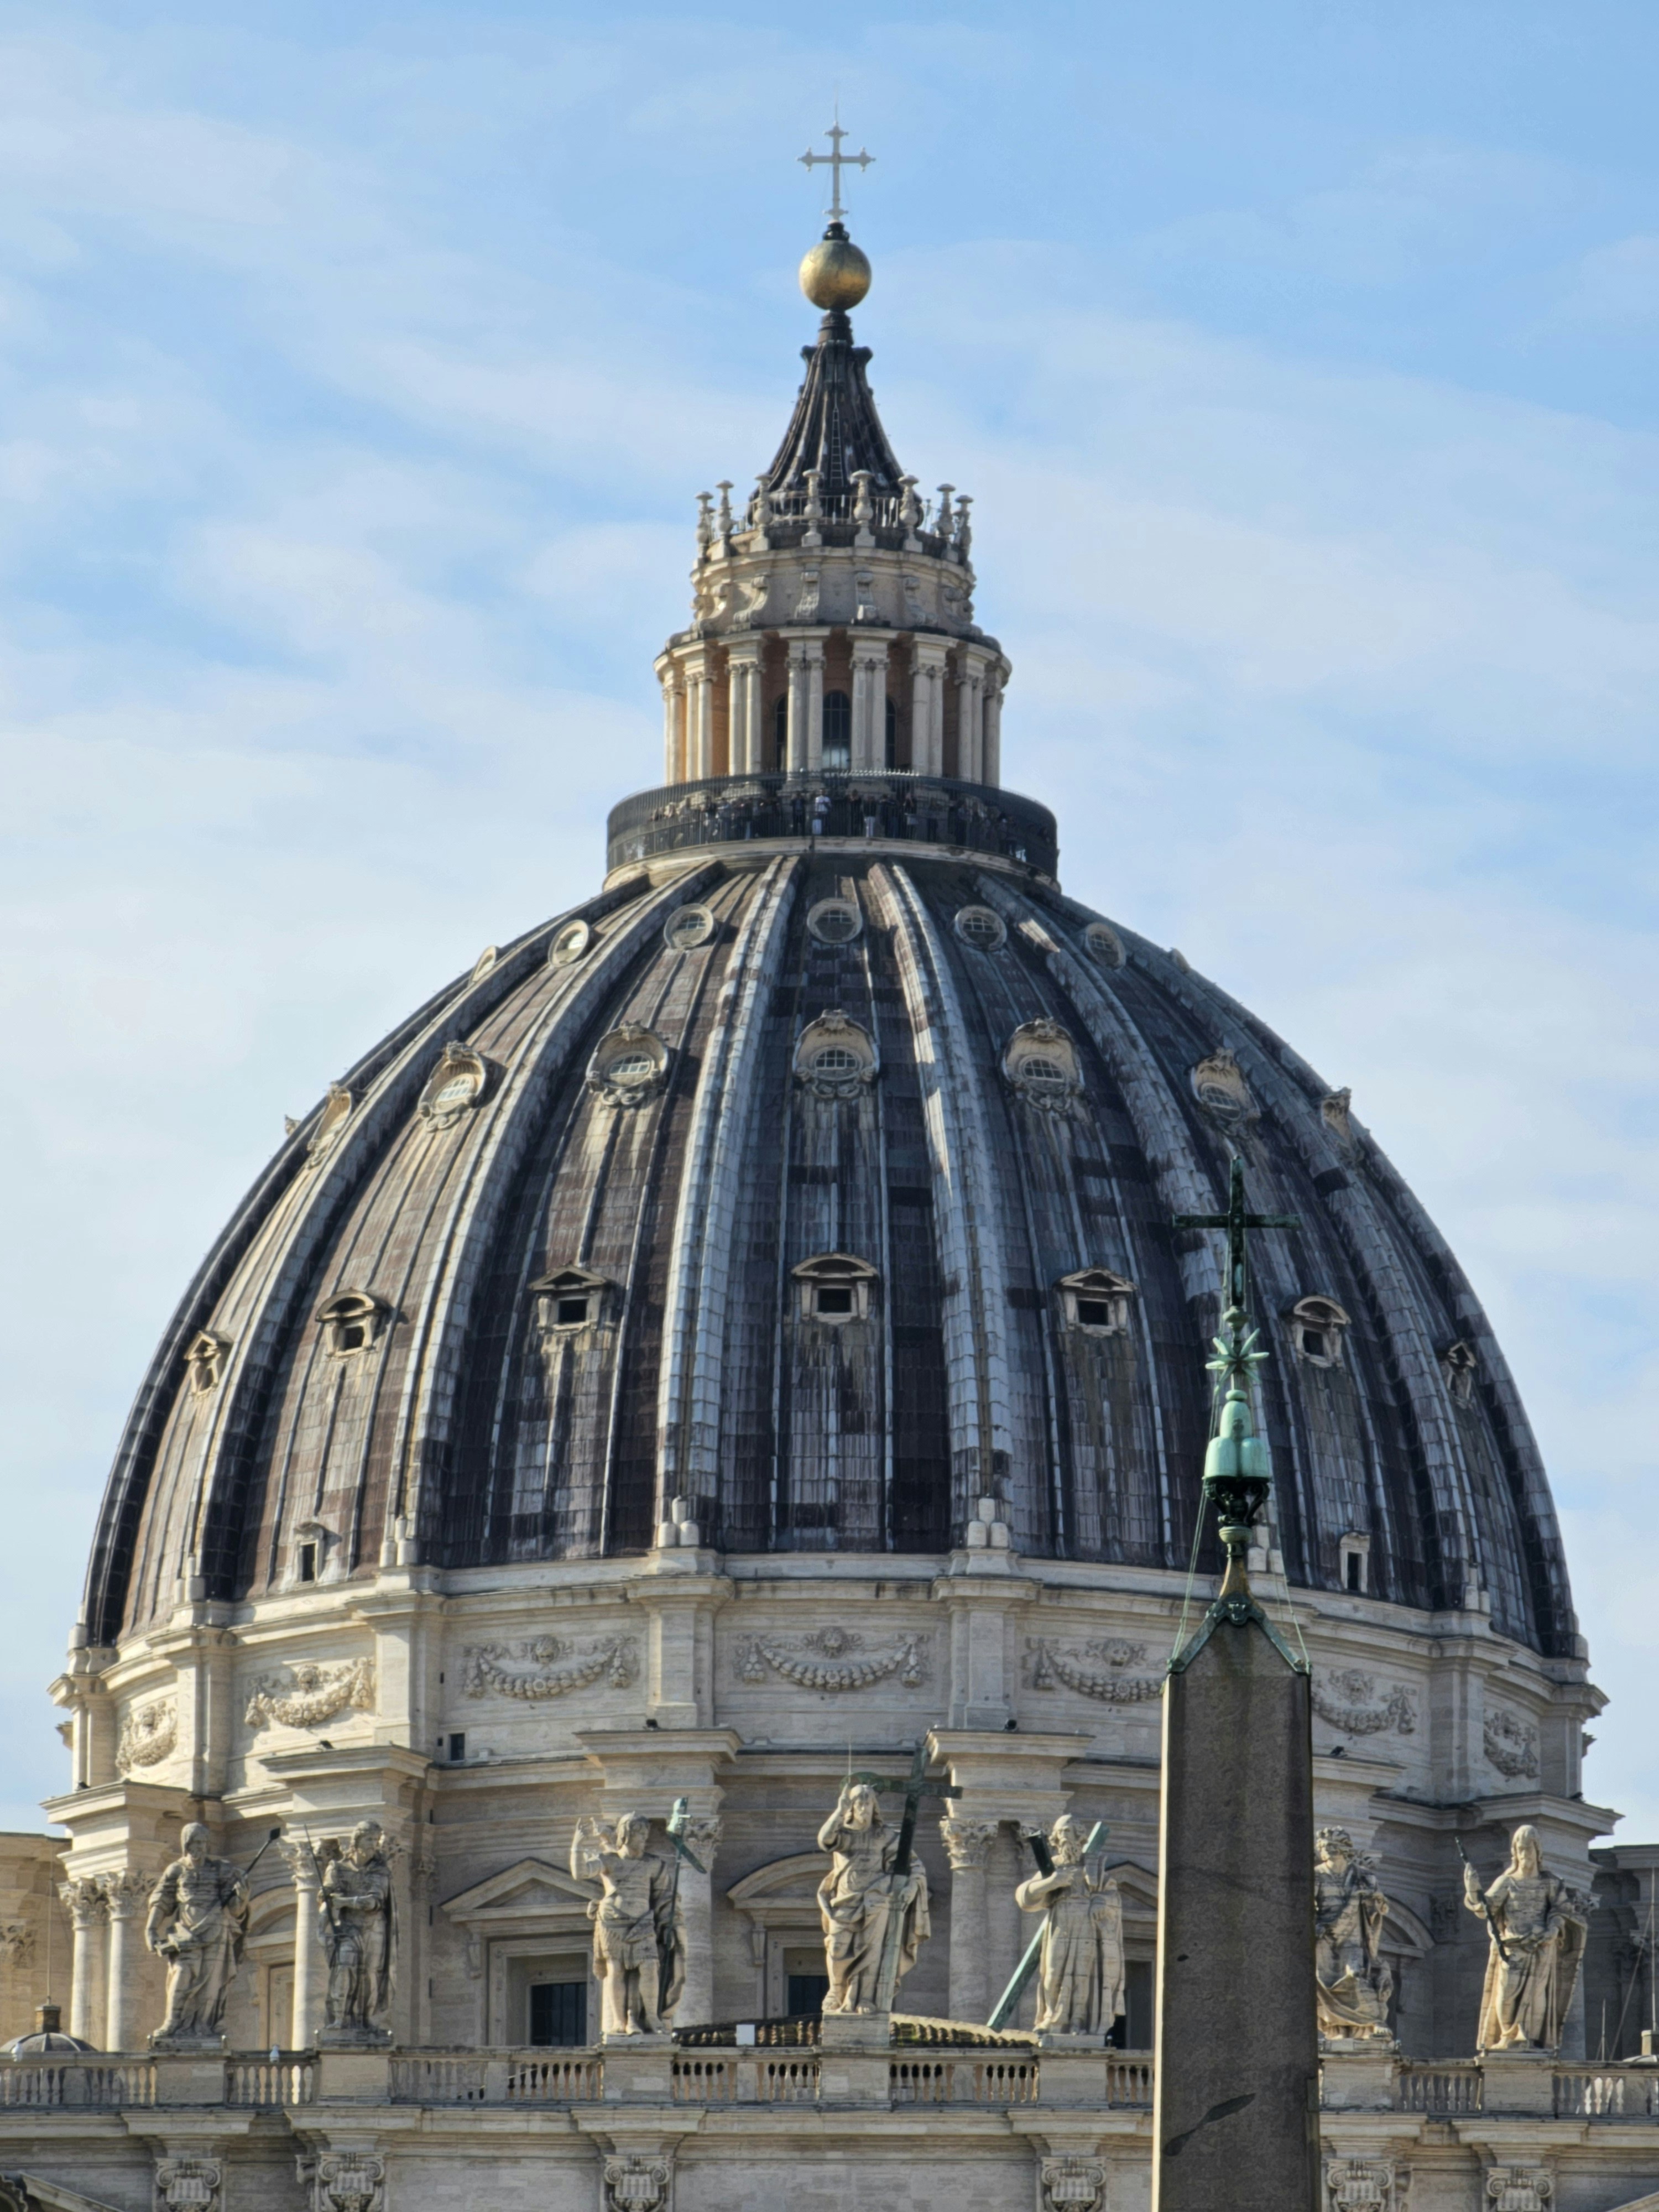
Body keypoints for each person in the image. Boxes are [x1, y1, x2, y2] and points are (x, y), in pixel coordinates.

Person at [1464, 1823, 1590, 2052]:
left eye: (1529, 1849)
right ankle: (1507, 2036)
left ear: (1538, 1851)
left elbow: (1561, 1910)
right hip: (1512, 1945)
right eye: (1520, 1849)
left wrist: (1553, 1929)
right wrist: (1473, 1889)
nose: (1525, 1855)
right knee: (1506, 1994)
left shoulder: (1550, 1882)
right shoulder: (1506, 1881)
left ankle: (1530, 2039)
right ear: (1515, 1852)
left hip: (1541, 1944)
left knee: (1536, 1995)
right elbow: (1487, 1908)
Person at [816, 1782, 929, 2015]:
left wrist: (910, 1887)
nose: (865, 1809)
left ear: (875, 1808)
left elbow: (913, 1864)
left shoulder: (886, 1836)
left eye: (869, 1804)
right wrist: (839, 1811)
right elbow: (825, 1840)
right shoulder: (843, 1835)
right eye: (860, 1804)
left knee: (871, 1952)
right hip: (844, 1901)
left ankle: (865, 1998)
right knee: (837, 1947)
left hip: (878, 1899)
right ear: (852, 1807)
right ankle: (836, 1991)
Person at [571, 1813, 684, 2035]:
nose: (644, 1838)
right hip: (612, 1921)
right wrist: (577, 1845)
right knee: (616, 1970)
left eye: (646, 1834)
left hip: (643, 1922)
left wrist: (668, 1925)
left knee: (650, 1967)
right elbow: (581, 1873)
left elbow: (665, 1898)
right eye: (639, 1834)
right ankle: (619, 2022)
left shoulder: (654, 1864)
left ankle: (652, 2016)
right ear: (625, 1834)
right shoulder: (609, 1860)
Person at [1014, 1816, 1124, 2036]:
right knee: (1053, 1973)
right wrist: (1053, 1882)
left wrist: (1101, 1900)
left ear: (1080, 1836)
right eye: (1061, 1832)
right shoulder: (1053, 1866)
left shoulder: (1095, 1867)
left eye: (1069, 1831)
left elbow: (1114, 1895)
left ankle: (1077, 2022)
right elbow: (1025, 1896)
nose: (1065, 1837)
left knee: (1083, 1974)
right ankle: (1052, 2018)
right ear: (1055, 1838)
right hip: (1061, 1922)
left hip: (1087, 1924)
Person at [144, 1823, 248, 2046]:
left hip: (215, 1931)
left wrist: (242, 1896)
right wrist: (151, 1928)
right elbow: (162, 1900)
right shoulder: (176, 1870)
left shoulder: (221, 1869)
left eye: (202, 1842)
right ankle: (172, 2022)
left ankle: (204, 2027)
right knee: (181, 1975)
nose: (198, 1847)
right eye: (194, 1842)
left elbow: (234, 1908)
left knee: (211, 1983)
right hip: (185, 1931)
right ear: (186, 1844)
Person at [318, 1821, 396, 2041]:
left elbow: (374, 1902)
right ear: (357, 1841)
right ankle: (340, 2020)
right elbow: (326, 1898)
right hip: (348, 1930)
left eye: (377, 1840)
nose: (374, 1844)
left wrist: (343, 1901)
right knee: (344, 1970)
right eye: (370, 1839)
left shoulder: (380, 1871)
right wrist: (327, 1900)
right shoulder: (337, 1868)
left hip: (374, 1929)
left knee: (370, 1976)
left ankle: (368, 2020)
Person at [1313, 1828, 1392, 2041]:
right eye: (1324, 1846)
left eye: (1332, 1846)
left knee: (1355, 1975)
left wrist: (1374, 1900)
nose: (1327, 1850)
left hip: (1354, 1936)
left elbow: (1381, 1907)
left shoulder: (1364, 1875)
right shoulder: (1317, 1875)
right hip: (1325, 1937)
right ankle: (1337, 2029)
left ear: (1343, 1848)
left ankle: (1371, 2021)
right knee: (1323, 1981)